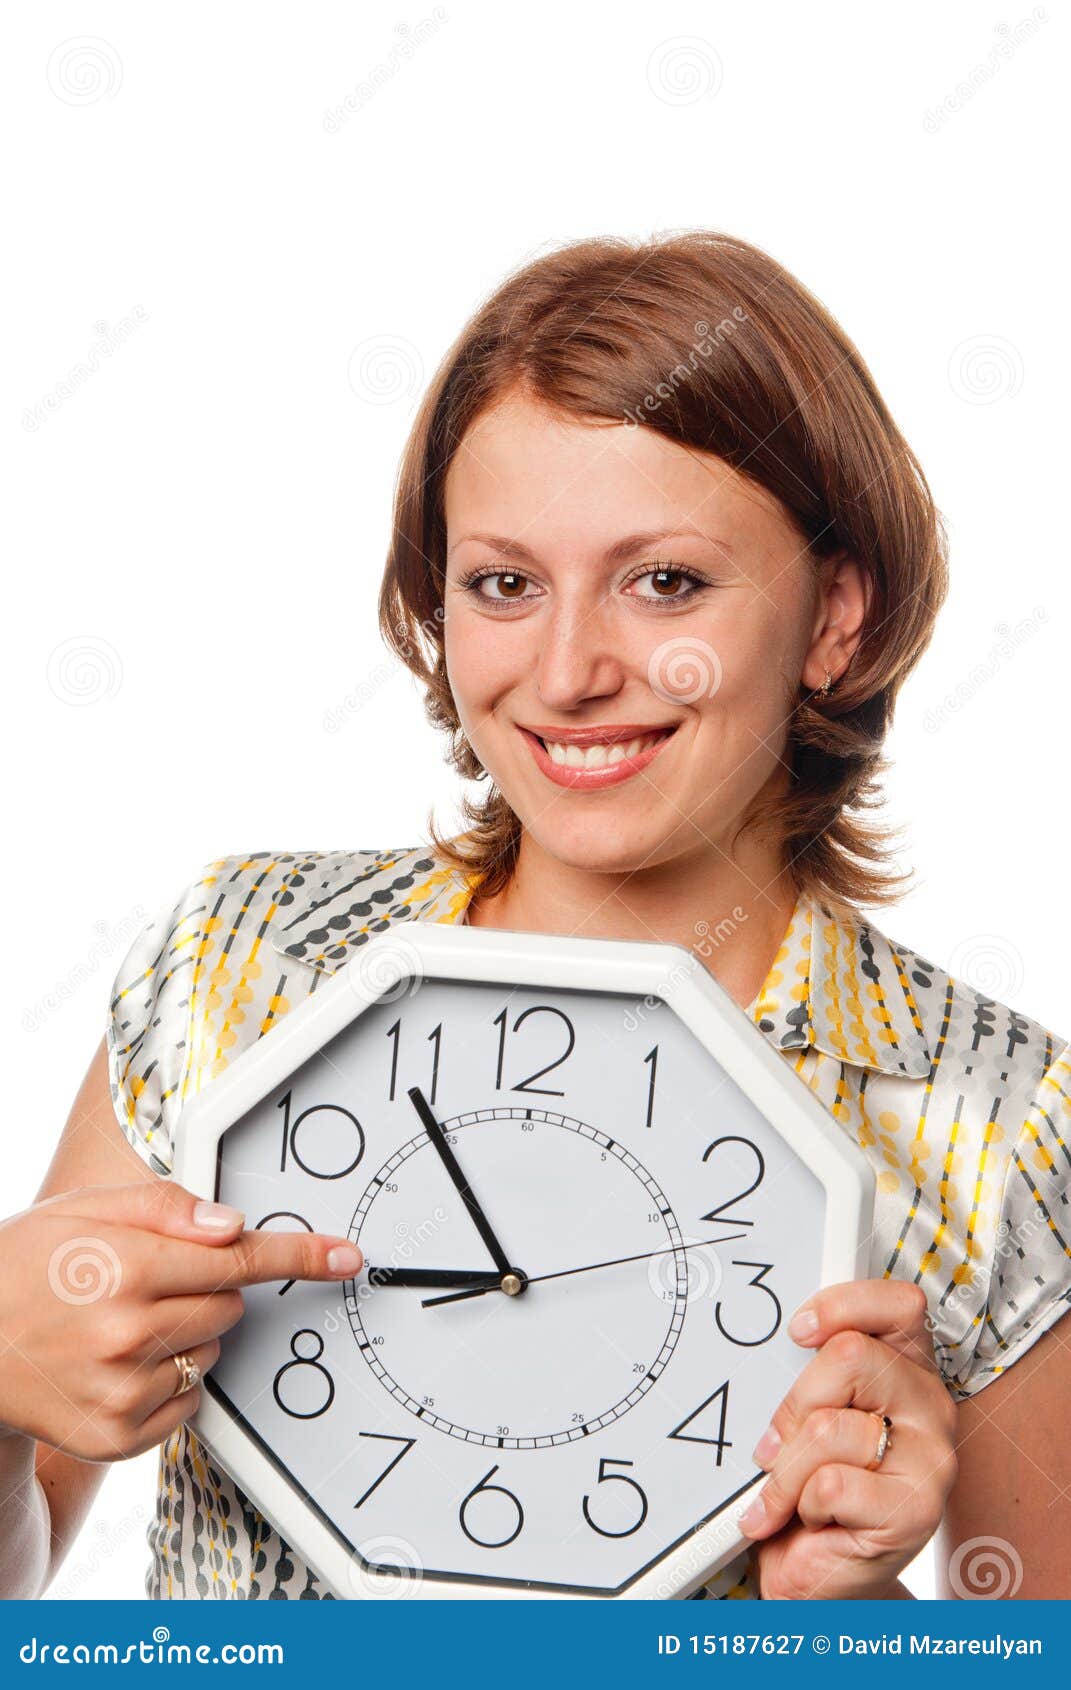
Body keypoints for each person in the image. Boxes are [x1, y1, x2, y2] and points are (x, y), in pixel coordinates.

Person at [3, 231, 1068, 1602]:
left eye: (666, 581)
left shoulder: (995, 1118)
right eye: (505, 583)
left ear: (834, 619)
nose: (569, 672)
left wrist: (853, 1609)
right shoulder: (244, 960)